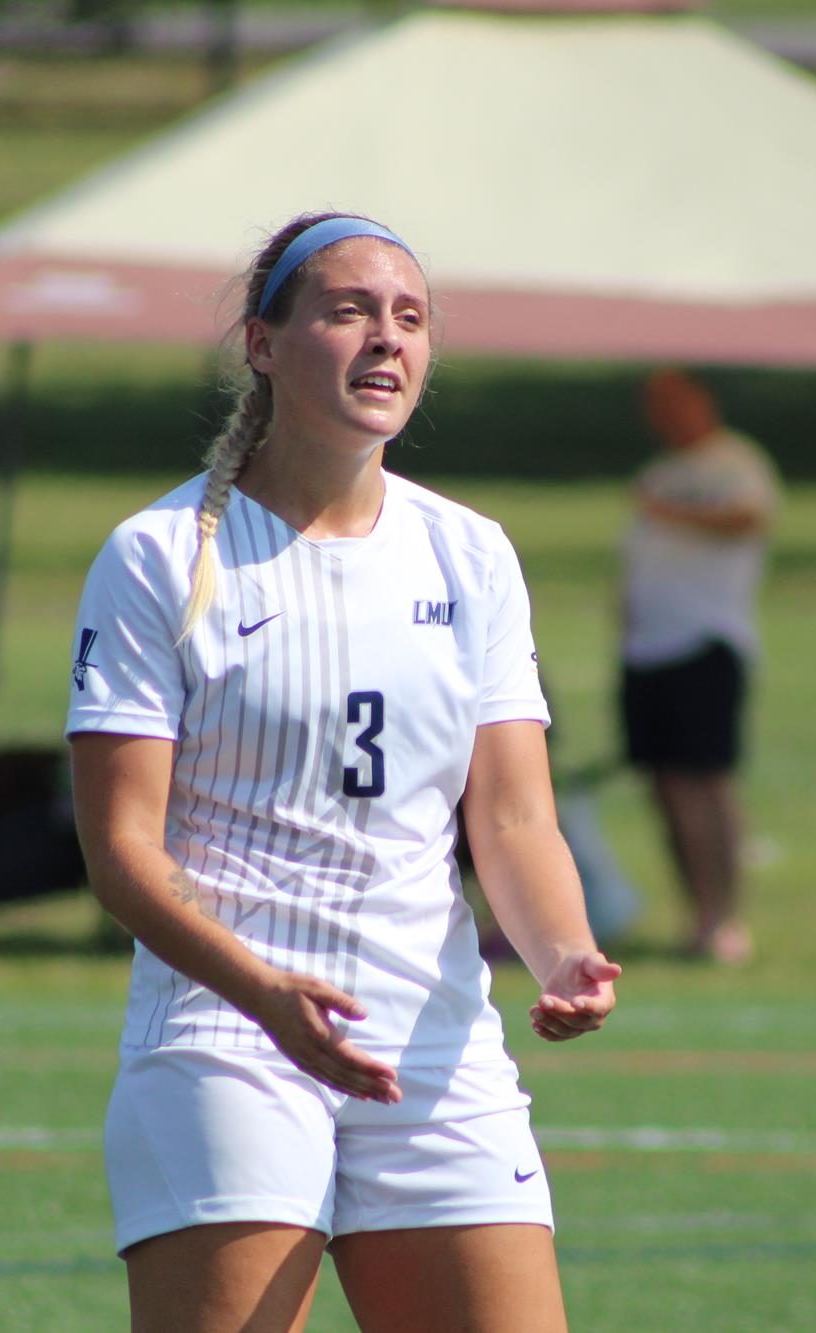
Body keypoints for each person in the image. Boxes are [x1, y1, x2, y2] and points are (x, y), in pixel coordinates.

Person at [66, 212, 620, 1333]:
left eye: (409, 317)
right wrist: (267, 996)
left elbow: (510, 819)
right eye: (347, 310)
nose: (385, 339)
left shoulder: (468, 553)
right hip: (226, 1038)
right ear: (261, 345)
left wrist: (563, 954)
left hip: (433, 1043)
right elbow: (121, 852)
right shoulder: (159, 556)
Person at [618, 367, 781, 964]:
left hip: (706, 642)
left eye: (673, 403)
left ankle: (726, 916)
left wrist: (669, 514)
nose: (663, 416)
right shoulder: (656, 474)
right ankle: (697, 914)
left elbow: (750, 519)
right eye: (653, 405)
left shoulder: (735, 463)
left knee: (705, 784)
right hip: (647, 650)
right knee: (664, 786)